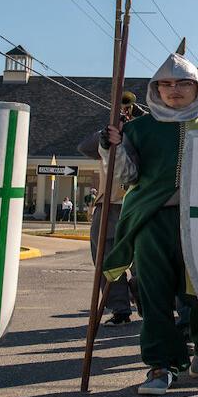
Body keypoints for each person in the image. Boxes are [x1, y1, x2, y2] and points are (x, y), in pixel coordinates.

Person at [100, 53, 198, 395]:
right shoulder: (137, 128)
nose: (173, 90)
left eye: (182, 83)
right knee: (154, 294)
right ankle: (161, 366)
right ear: (155, 89)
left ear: (197, 88)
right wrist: (112, 149)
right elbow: (124, 179)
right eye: (165, 83)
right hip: (152, 217)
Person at [77, 100, 139, 326]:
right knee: (106, 261)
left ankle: (143, 297)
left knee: (141, 260)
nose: (126, 112)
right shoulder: (110, 134)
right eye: (123, 109)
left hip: (136, 204)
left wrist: (137, 125)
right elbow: (84, 147)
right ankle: (120, 310)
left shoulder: (144, 131)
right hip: (108, 206)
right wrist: (107, 132)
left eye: (129, 109)